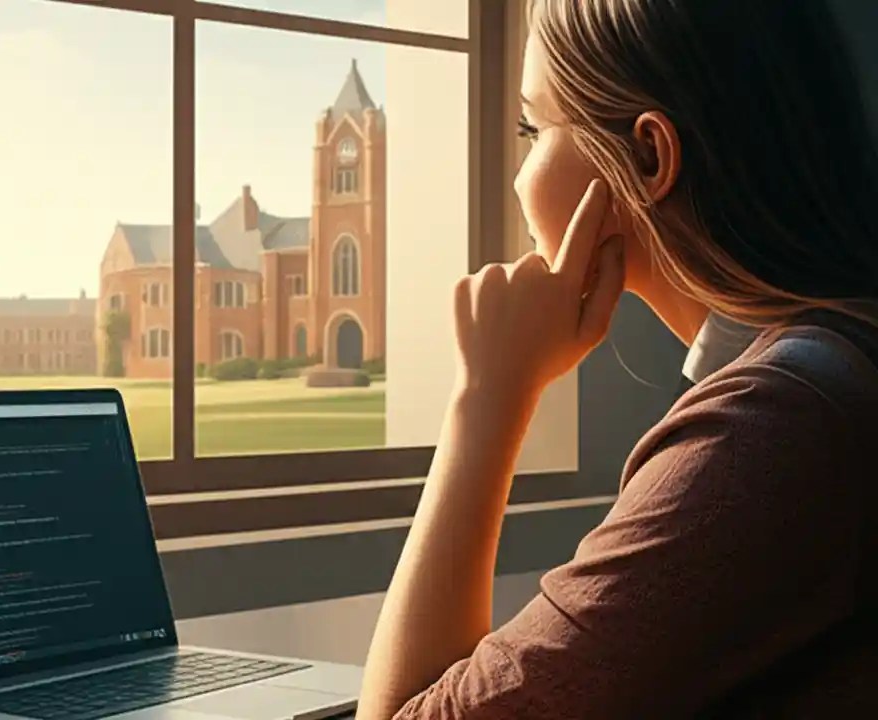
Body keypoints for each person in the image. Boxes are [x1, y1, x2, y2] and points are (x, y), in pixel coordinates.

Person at [356, 0, 878, 718]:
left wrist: (487, 396)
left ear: (647, 157)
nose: (518, 177)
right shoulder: (834, 367)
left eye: (532, 129)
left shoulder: (774, 428)